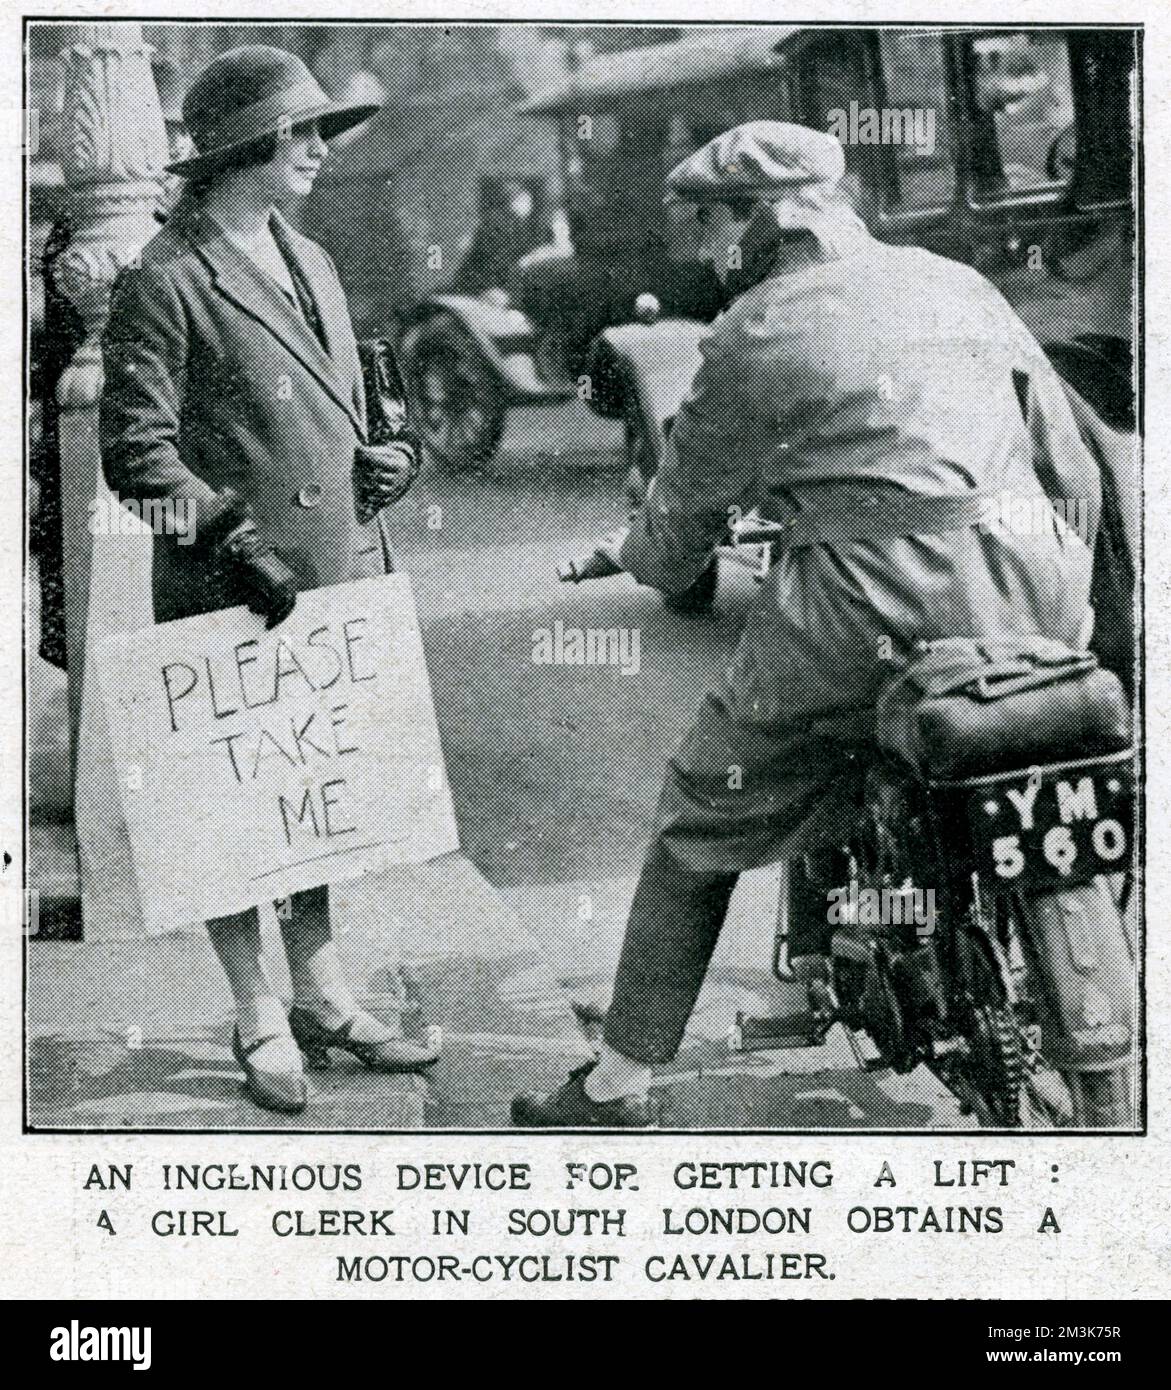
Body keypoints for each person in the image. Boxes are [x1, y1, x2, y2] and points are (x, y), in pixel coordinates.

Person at [513, 121, 1100, 1127]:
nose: (704, 254)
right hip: (1036, 575)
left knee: (699, 809)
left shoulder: (752, 329)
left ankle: (616, 1081)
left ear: (762, 221)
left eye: (709, 230)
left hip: (866, 607)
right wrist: (1065, 597)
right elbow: (1071, 462)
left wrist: (640, 556)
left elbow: (680, 526)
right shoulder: (955, 282)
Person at [100, 45, 435, 1114]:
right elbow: (134, 455)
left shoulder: (312, 257)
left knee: (315, 801)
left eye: (316, 133)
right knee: (233, 817)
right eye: (297, 135)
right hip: (230, 590)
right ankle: (256, 1013)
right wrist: (231, 539)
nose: (316, 153)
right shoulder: (166, 277)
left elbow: (342, 411)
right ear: (242, 150)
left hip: (331, 581)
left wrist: (387, 463)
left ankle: (323, 996)